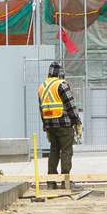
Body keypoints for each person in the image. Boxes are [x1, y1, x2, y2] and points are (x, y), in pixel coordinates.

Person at [37, 61, 80, 190]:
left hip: (50, 125)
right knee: (66, 151)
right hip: (64, 124)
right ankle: (65, 182)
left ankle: (51, 182)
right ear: (60, 74)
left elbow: (41, 109)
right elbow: (70, 105)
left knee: (54, 151)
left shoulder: (42, 87)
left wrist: (45, 127)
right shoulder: (61, 84)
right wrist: (77, 121)